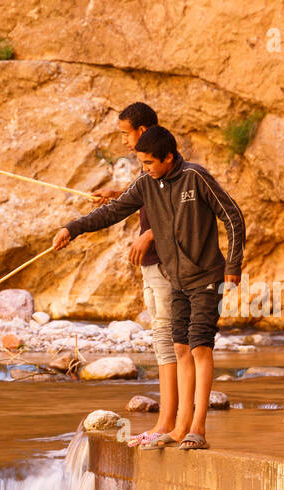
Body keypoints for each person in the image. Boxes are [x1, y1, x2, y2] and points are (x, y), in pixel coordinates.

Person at [53, 125, 244, 451]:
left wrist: (233, 266)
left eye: (149, 163)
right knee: (181, 349)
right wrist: (73, 229)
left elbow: (232, 215)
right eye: (141, 163)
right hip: (176, 279)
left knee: (200, 347)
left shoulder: (195, 178)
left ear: (169, 157)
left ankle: (198, 427)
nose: (144, 169)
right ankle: (180, 427)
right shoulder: (146, 184)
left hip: (207, 275)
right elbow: (112, 212)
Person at [91, 102, 177, 447]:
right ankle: (169, 420)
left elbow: (179, 211)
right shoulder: (148, 170)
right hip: (153, 265)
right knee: (162, 341)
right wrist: (116, 196)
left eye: (126, 133)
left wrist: (149, 233)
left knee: (170, 342)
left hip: (165, 264)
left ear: (141, 131)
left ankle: (170, 422)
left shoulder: (166, 166)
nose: (125, 142)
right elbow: (146, 199)